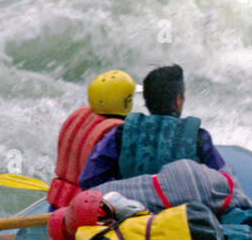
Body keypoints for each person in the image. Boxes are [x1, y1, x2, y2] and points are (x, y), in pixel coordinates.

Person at [79, 64, 225, 188]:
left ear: (146, 100)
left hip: (133, 218)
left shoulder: (120, 134)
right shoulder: (198, 138)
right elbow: (223, 184)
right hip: (185, 217)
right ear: (177, 100)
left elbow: (89, 180)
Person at [46, 69, 135, 209]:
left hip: (57, 201)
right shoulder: (115, 132)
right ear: (126, 102)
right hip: (84, 209)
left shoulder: (80, 116)